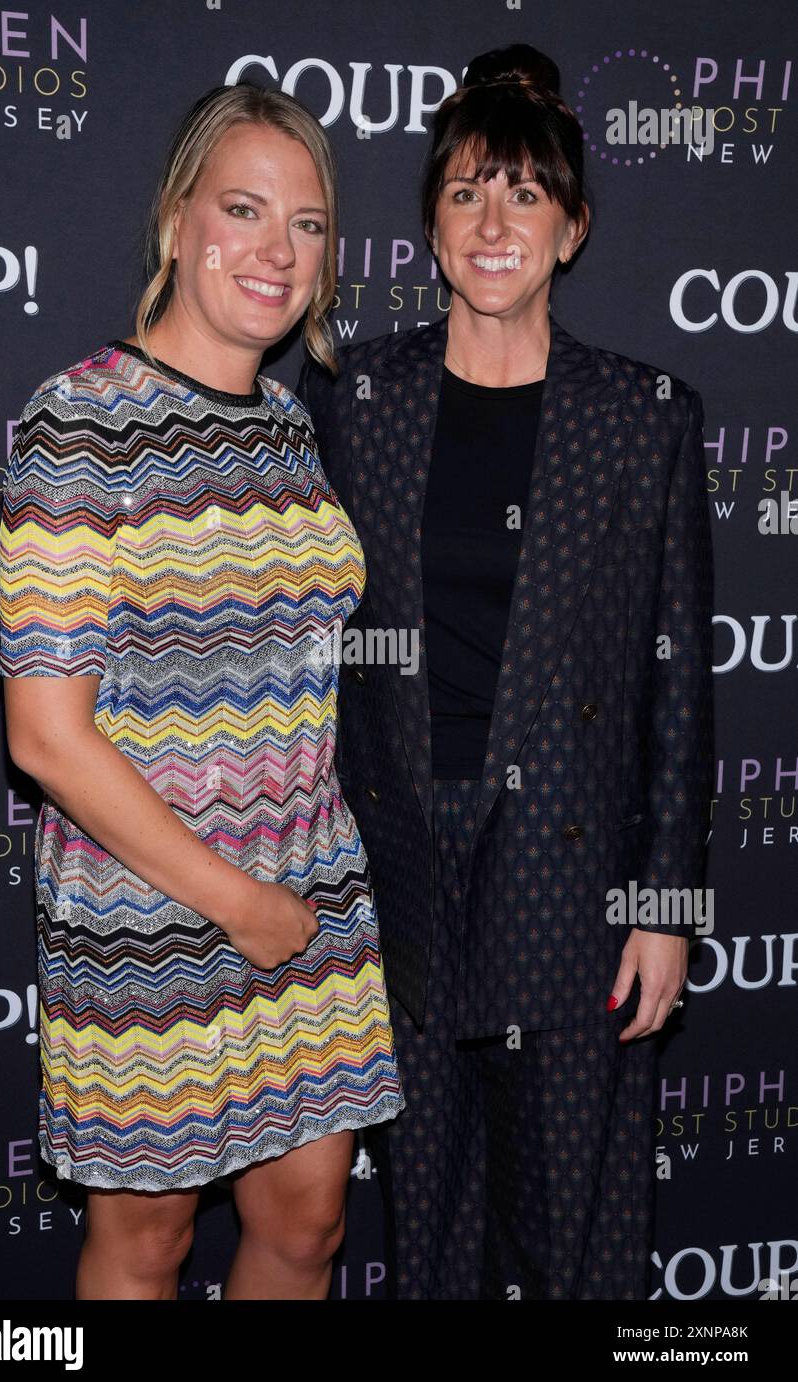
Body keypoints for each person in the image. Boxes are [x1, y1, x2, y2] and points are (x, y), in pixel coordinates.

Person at [296, 42, 714, 1300]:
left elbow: (679, 681)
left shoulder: (643, 415)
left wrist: (665, 907)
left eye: (524, 193)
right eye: (467, 190)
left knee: (575, 1248)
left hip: (570, 883)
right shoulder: (355, 397)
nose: (494, 222)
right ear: (428, 222)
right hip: (403, 884)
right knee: (422, 1235)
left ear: (572, 227)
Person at [0, 82, 404, 1301]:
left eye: (310, 224)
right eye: (245, 209)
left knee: (308, 1227)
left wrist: (287, 904)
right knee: (149, 1241)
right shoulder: (78, 427)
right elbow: (47, 738)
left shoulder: (287, 423)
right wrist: (239, 902)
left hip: (310, 888)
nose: (278, 250)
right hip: (148, 918)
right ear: (181, 222)